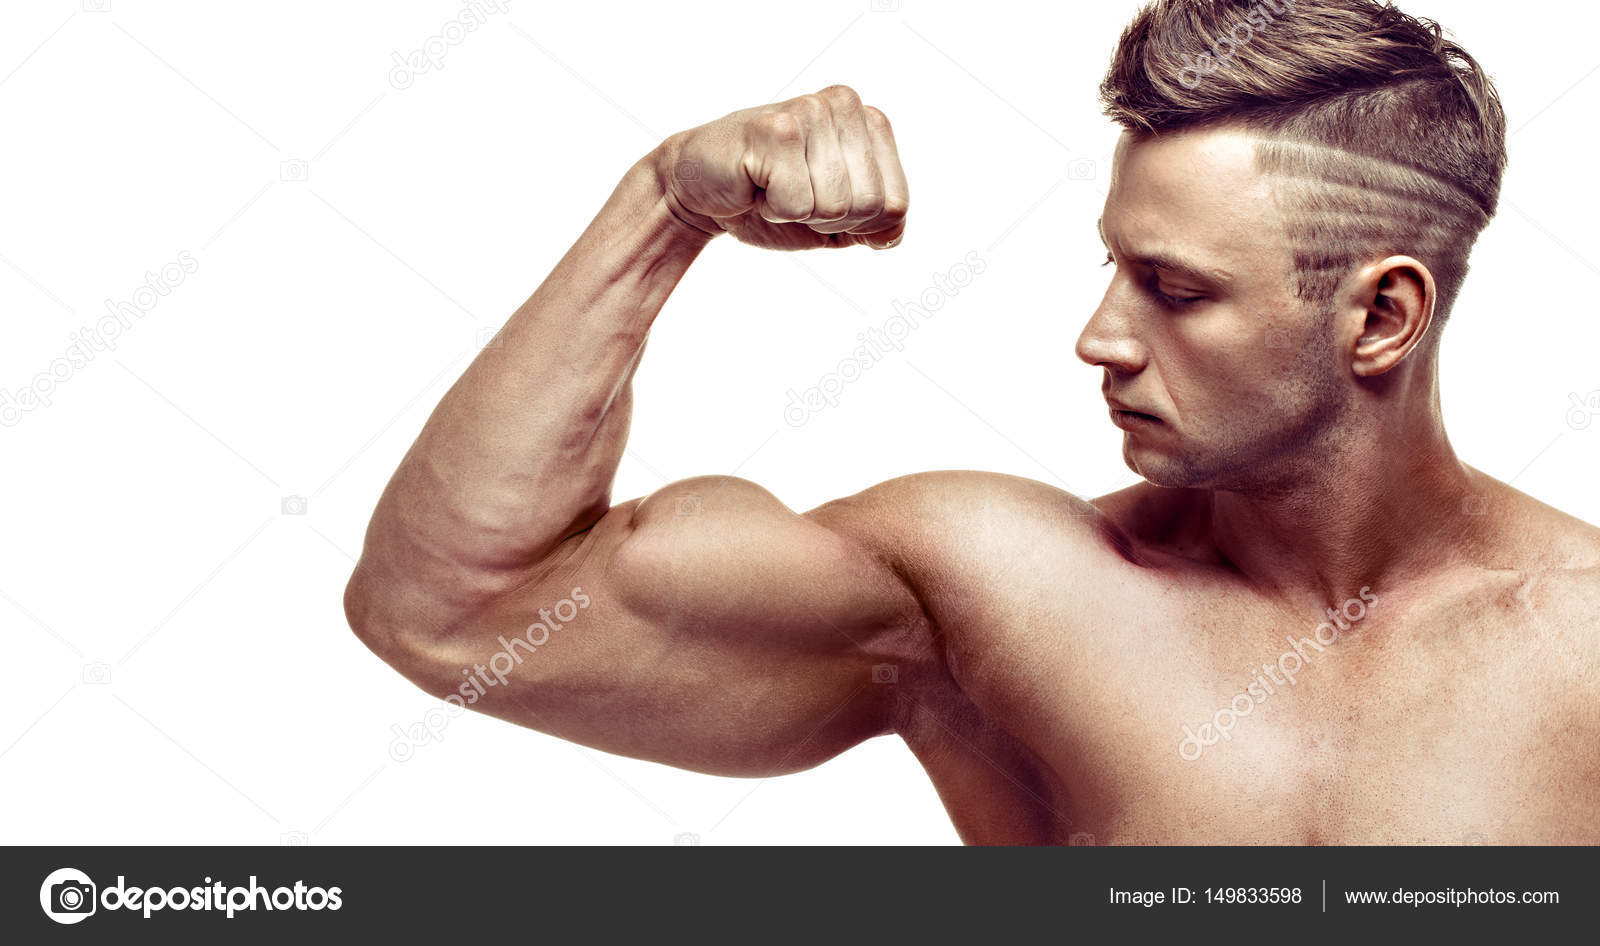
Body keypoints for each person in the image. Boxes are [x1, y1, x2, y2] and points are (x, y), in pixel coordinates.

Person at [344, 0, 1600, 843]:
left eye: (1174, 289)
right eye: (1113, 268)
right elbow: (449, 612)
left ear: (1381, 316)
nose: (1100, 336)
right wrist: (664, 203)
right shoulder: (1003, 594)